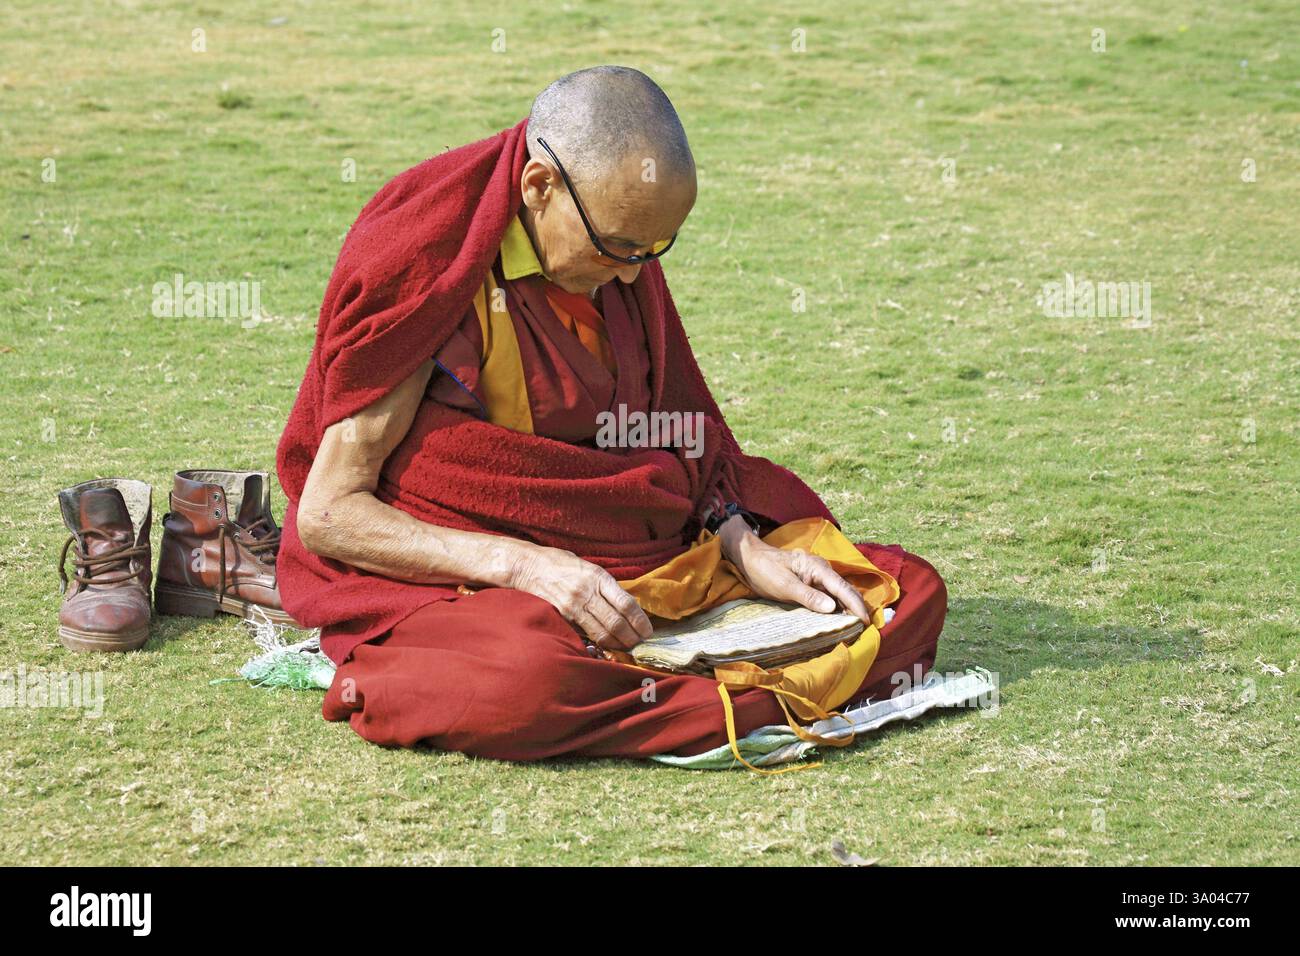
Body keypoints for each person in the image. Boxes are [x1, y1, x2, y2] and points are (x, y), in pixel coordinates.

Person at [275, 66, 947, 761]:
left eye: (653, 250)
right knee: (524, 680)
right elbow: (329, 514)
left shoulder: (615, 247)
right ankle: (752, 693)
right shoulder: (429, 260)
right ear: (540, 187)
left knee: (899, 590)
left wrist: (740, 542)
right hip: (477, 577)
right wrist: (529, 568)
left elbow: (679, 435)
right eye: (620, 249)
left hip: (639, 556)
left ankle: (702, 685)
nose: (633, 275)